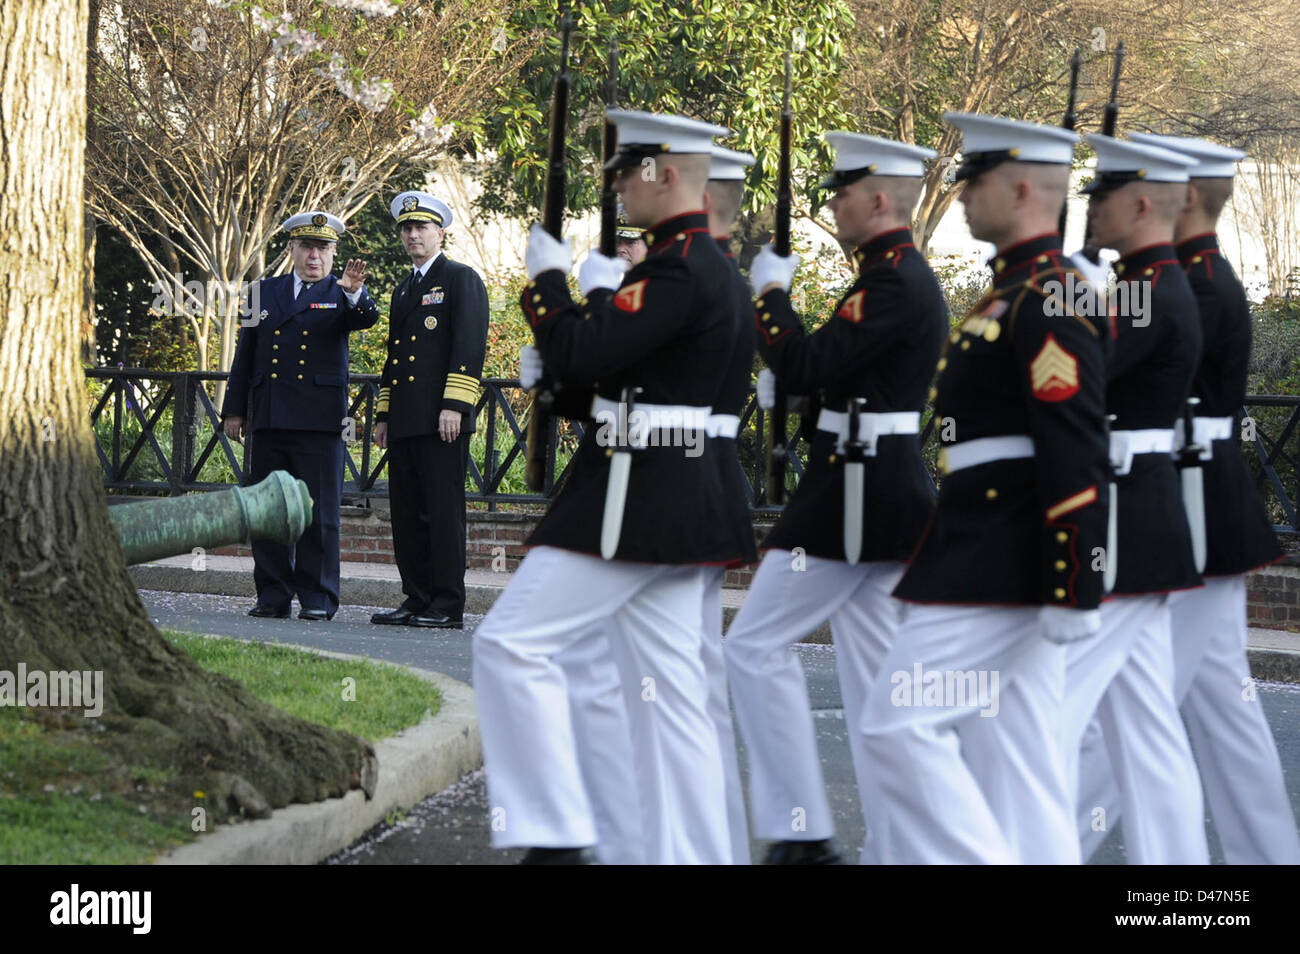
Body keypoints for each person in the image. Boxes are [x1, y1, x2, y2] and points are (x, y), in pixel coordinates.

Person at [473, 109, 740, 864]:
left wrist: (552, 285)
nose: (620, 182)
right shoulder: (700, 264)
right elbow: (621, 380)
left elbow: (587, 353)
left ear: (665, 173)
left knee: (511, 646)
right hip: (669, 500)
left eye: (630, 169)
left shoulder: (681, 267)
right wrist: (568, 367)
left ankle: (554, 832)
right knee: (670, 697)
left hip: (637, 499)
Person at [857, 114, 1110, 863]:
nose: (962, 193)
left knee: (895, 723)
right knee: (1020, 755)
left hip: (1001, 551)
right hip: (989, 541)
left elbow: (1075, 442)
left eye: (978, 180)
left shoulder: (1048, 294)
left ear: (1024, 187)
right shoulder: (1021, 289)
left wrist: (1075, 577)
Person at [1075, 132, 1300, 864]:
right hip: (1208, 504)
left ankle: (1048, 842)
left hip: (1192, 509)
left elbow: (1102, 373)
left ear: (1186, 198)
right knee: (1216, 707)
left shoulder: (1193, 284)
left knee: (1135, 706)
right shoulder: (1202, 277)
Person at [724, 133, 946, 864]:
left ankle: (801, 831)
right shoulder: (890, 276)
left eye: (842, 192)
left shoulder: (892, 282)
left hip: (856, 497)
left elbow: (810, 360)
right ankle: (907, 848)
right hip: (869, 492)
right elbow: (832, 376)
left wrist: (771, 295)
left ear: (878, 198)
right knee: (884, 695)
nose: (831, 204)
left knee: (753, 647)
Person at [1056, 134, 1209, 865]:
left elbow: (1085, 378)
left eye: (1101, 197)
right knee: (1146, 732)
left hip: (1124, 522)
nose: (1090, 210)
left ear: (1142, 203)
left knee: (1046, 708)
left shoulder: (1149, 290)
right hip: (1139, 520)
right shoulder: (1144, 284)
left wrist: (1071, 302)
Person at [222, 211, 378, 620]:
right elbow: (246, 354)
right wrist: (235, 409)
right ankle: (272, 596)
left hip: (320, 419)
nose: (314, 256)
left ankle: (318, 598)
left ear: (333, 254)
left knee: (319, 514)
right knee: (269, 512)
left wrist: (354, 293)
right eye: (307, 247)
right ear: (291, 249)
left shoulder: (342, 292)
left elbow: (365, 318)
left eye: (323, 249)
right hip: (271, 415)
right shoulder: (263, 292)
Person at [370, 192, 489, 630]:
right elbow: (394, 357)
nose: (413, 234)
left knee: (442, 513)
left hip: (442, 420)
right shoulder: (405, 288)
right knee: (407, 514)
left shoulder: (461, 278)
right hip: (405, 420)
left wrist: (455, 406)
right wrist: (383, 415)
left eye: (422, 227)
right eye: (407, 228)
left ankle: (446, 604)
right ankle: (416, 597)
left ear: (441, 232)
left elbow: (469, 346)